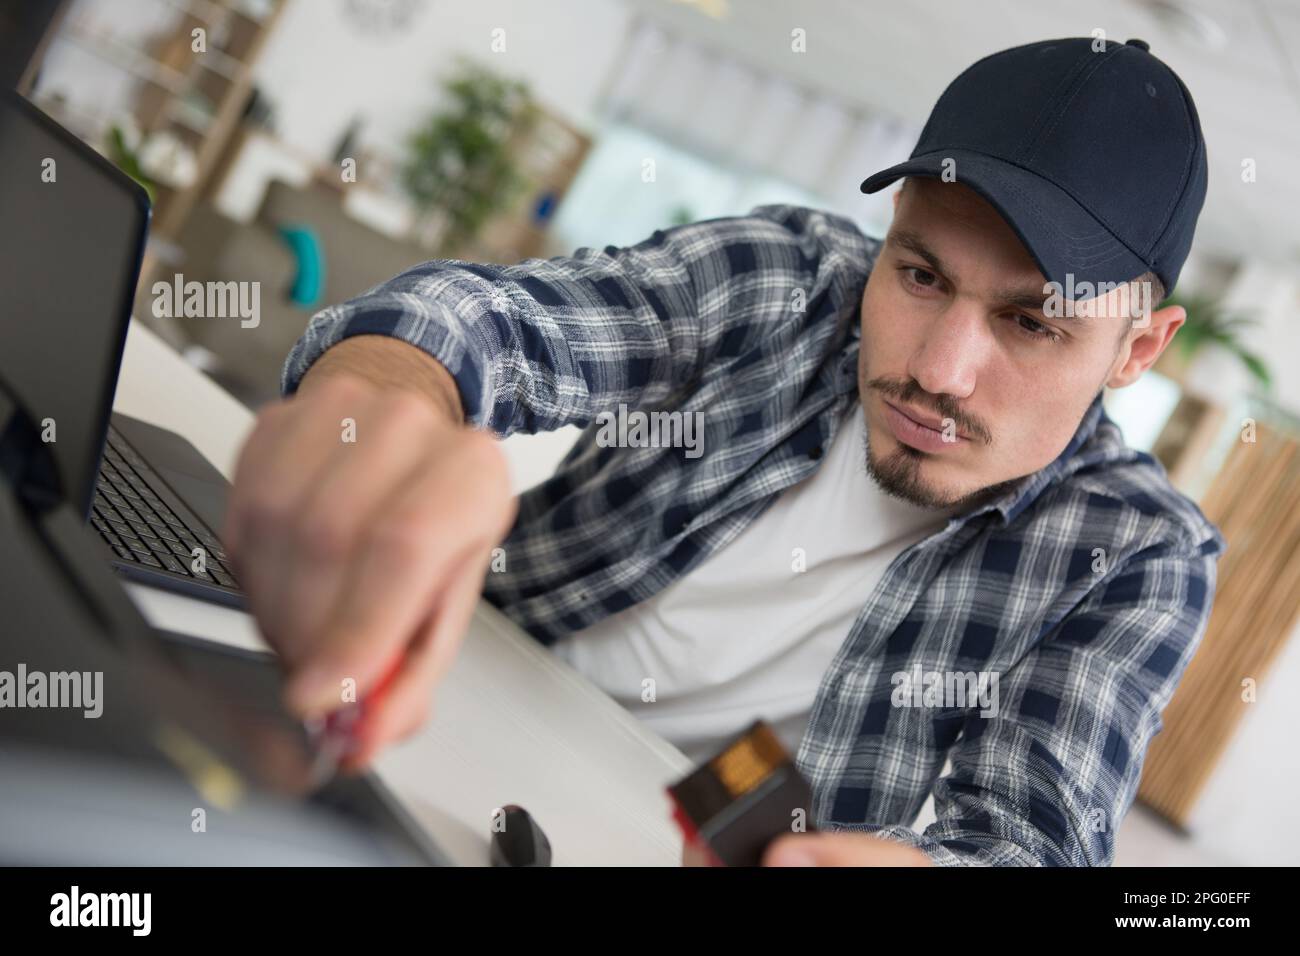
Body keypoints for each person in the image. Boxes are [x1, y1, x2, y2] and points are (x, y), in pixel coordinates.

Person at [225, 36, 1222, 866]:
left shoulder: (1137, 549)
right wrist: (384, 397)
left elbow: (1032, 840)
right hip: (439, 701)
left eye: (1031, 323)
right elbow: (490, 320)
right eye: (919, 274)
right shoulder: (791, 279)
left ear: (1137, 349)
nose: (941, 371)